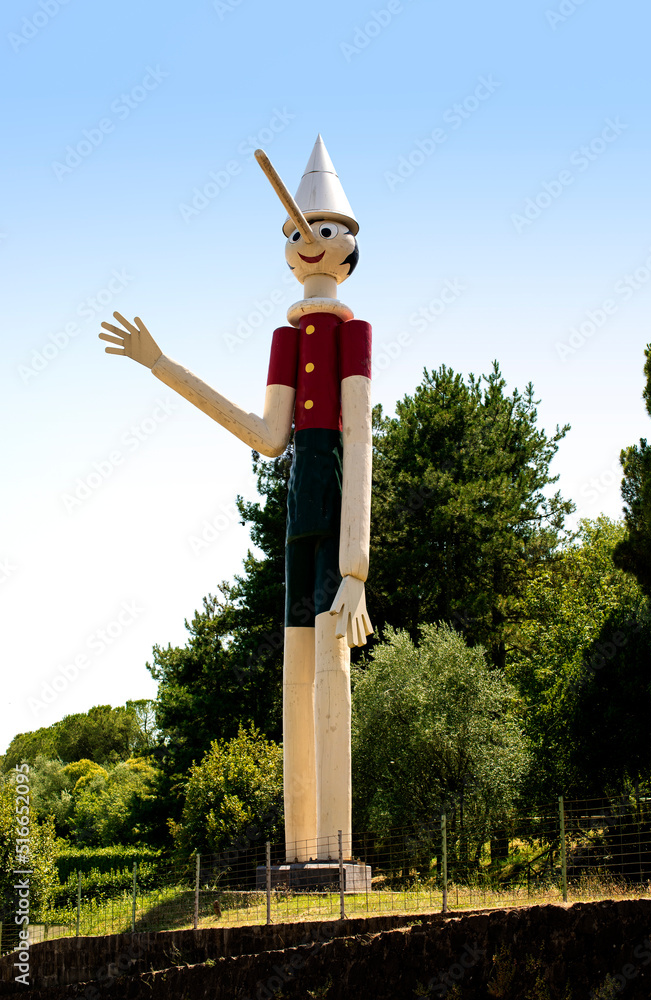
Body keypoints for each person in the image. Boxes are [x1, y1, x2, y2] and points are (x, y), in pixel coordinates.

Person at [99, 136, 372, 862]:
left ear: (347, 250)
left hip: (334, 507)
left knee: (331, 671)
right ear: (286, 251)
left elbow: (363, 446)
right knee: (293, 674)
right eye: (294, 232)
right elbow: (265, 436)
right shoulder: (287, 341)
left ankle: (336, 853)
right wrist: (163, 366)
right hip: (295, 514)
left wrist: (355, 569)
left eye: (319, 231)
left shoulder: (355, 338)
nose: (306, 241)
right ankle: (301, 850)